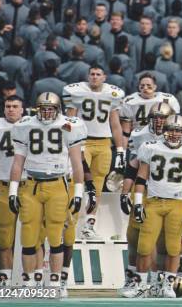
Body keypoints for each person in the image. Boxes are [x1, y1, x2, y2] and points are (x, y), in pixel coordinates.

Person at [7, 93, 87, 293]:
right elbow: (18, 162)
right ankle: (29, 282)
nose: (46, 112)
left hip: (58, 184)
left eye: (50, 108)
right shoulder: (25, 125)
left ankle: (54, 282)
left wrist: (78, 192)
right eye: (43, 108)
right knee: (28, 236)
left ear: (58, 109)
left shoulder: (70, 125)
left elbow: (77, 163)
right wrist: (12, 191)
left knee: (55, 236)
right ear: (37, 108)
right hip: (31, 185)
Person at [124, 115, 182, 298]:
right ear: (164, 131)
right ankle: (141, 285)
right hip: (153, 202)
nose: (174, 134)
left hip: (177, 204)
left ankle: (168, 284)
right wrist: (137, 203)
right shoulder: (150, 147)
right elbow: (141, 178)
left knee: (173, 247)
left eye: (178, 130)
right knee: (144, 246)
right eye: (171, 130)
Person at [62, 65, 125, 240]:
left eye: (98, 74)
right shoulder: (77, 91)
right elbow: (70, 120)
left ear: (104, 77)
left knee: (97, 186)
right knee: (77, 181)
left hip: (104, 143)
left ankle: (89, 225)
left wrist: (120, 150)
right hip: (83, 141)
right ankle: (68, 221)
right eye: (92, 74)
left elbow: (115, 124)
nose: (95, 77)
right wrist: (73, 143)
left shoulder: (112, 94)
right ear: (88, 76)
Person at [119, 102, 175, 295]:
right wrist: (125, 192)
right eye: (156, 117)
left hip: (170, 193)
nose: (159, 121)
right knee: (135, 236)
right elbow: (133, 167)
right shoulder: (139, 135)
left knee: (167, 241)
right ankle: (135, 277)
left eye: (163, 118)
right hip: (144, 190)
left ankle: (161, 279)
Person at [0, 95, 24, 287]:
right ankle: (5, 279)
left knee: (32, 237)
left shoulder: (33, 125)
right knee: (4, 236)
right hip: (5, 185)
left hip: (30, 186)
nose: (11, 109)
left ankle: (30, 280)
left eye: (15, 106)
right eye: (8, 106)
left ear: (23, 109)